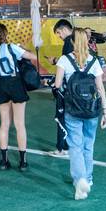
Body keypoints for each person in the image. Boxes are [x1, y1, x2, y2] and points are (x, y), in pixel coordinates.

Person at [57, 27, 106, 199]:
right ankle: (88, 177)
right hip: (92, 109)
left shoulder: (64, 60)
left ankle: (80, 179)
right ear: (86, 41)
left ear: (72, 41)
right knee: (89, 145)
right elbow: (100, 87)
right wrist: (105, 111)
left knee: (75, 146)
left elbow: (57, 84)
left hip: (73, 108)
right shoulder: (94, 61)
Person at [0, 22, 39, 170]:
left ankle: (4, 161)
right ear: (4, 34)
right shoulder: (11, 47)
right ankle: (23, 162)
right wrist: (22, 48)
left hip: (1, 84)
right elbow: (33, 57)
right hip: (15, 83)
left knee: (4, 124)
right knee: (19, 124)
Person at [47, 18, 74, 157]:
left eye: (58, 33)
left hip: (67, 86)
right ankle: (71, 146)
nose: (59, 36)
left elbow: (65, 64)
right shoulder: (79, 41)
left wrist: (55, 83)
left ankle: (63, 148)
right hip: (79, 87)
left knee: (61, 116)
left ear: (64, 29)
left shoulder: (68, 42)